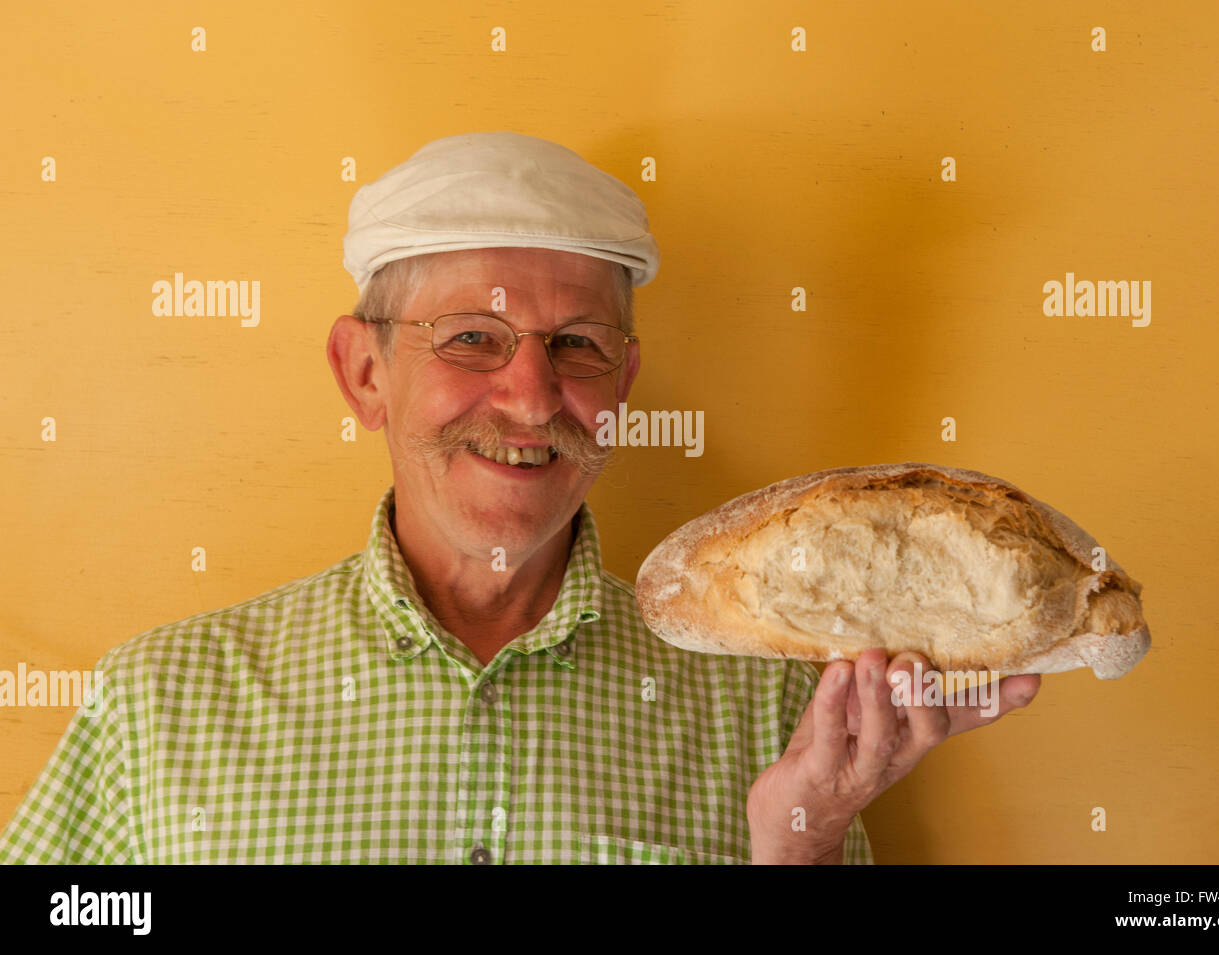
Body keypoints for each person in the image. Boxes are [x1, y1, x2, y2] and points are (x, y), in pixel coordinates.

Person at [0, 131, 1039, 865]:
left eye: (576, 346)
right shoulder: (162, 704)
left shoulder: (776, 703)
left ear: (621, 387)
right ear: (364, 374)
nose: (533, 397)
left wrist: (797, 846)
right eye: (470, 339)